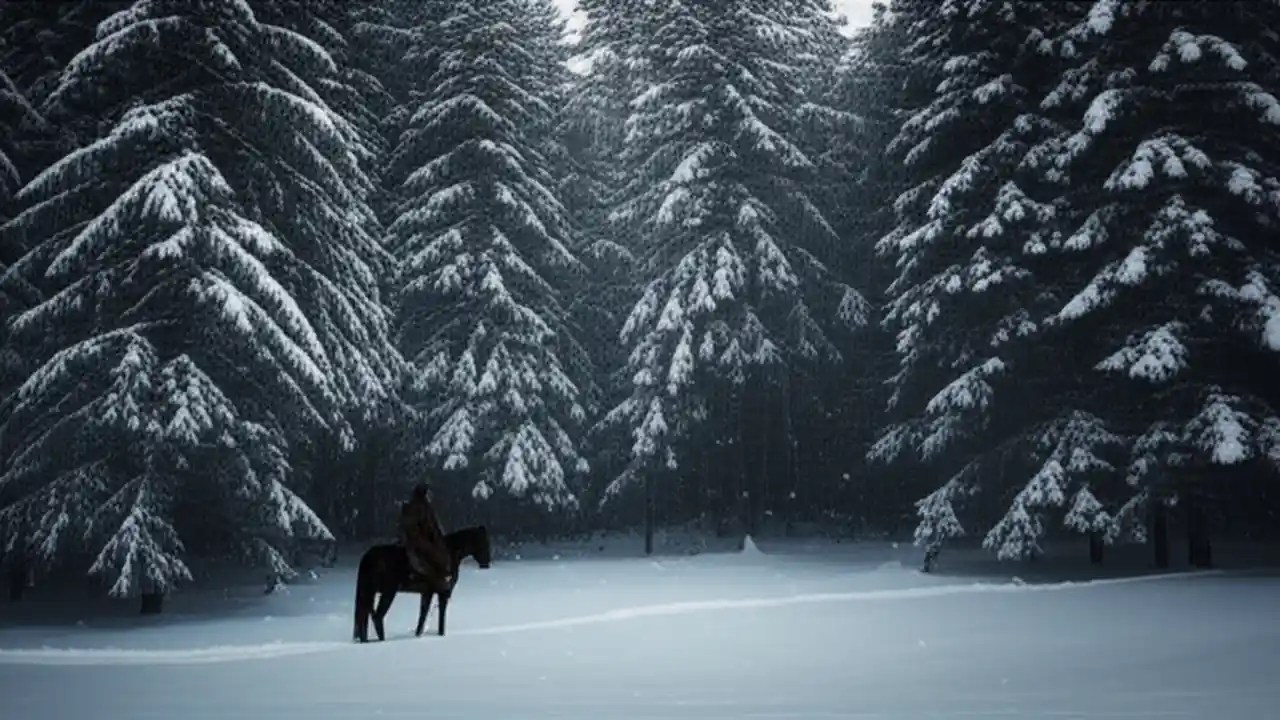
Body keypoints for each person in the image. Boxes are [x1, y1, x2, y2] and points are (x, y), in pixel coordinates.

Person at [399, 482, 452, 588]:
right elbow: (414, 528)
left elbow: (433, 526)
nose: (430, 496)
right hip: (416, 540)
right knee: (434, 554)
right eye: (428, 493)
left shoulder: (425, 507)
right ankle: (435, 581)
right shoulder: (416, 508)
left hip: (423, 538)